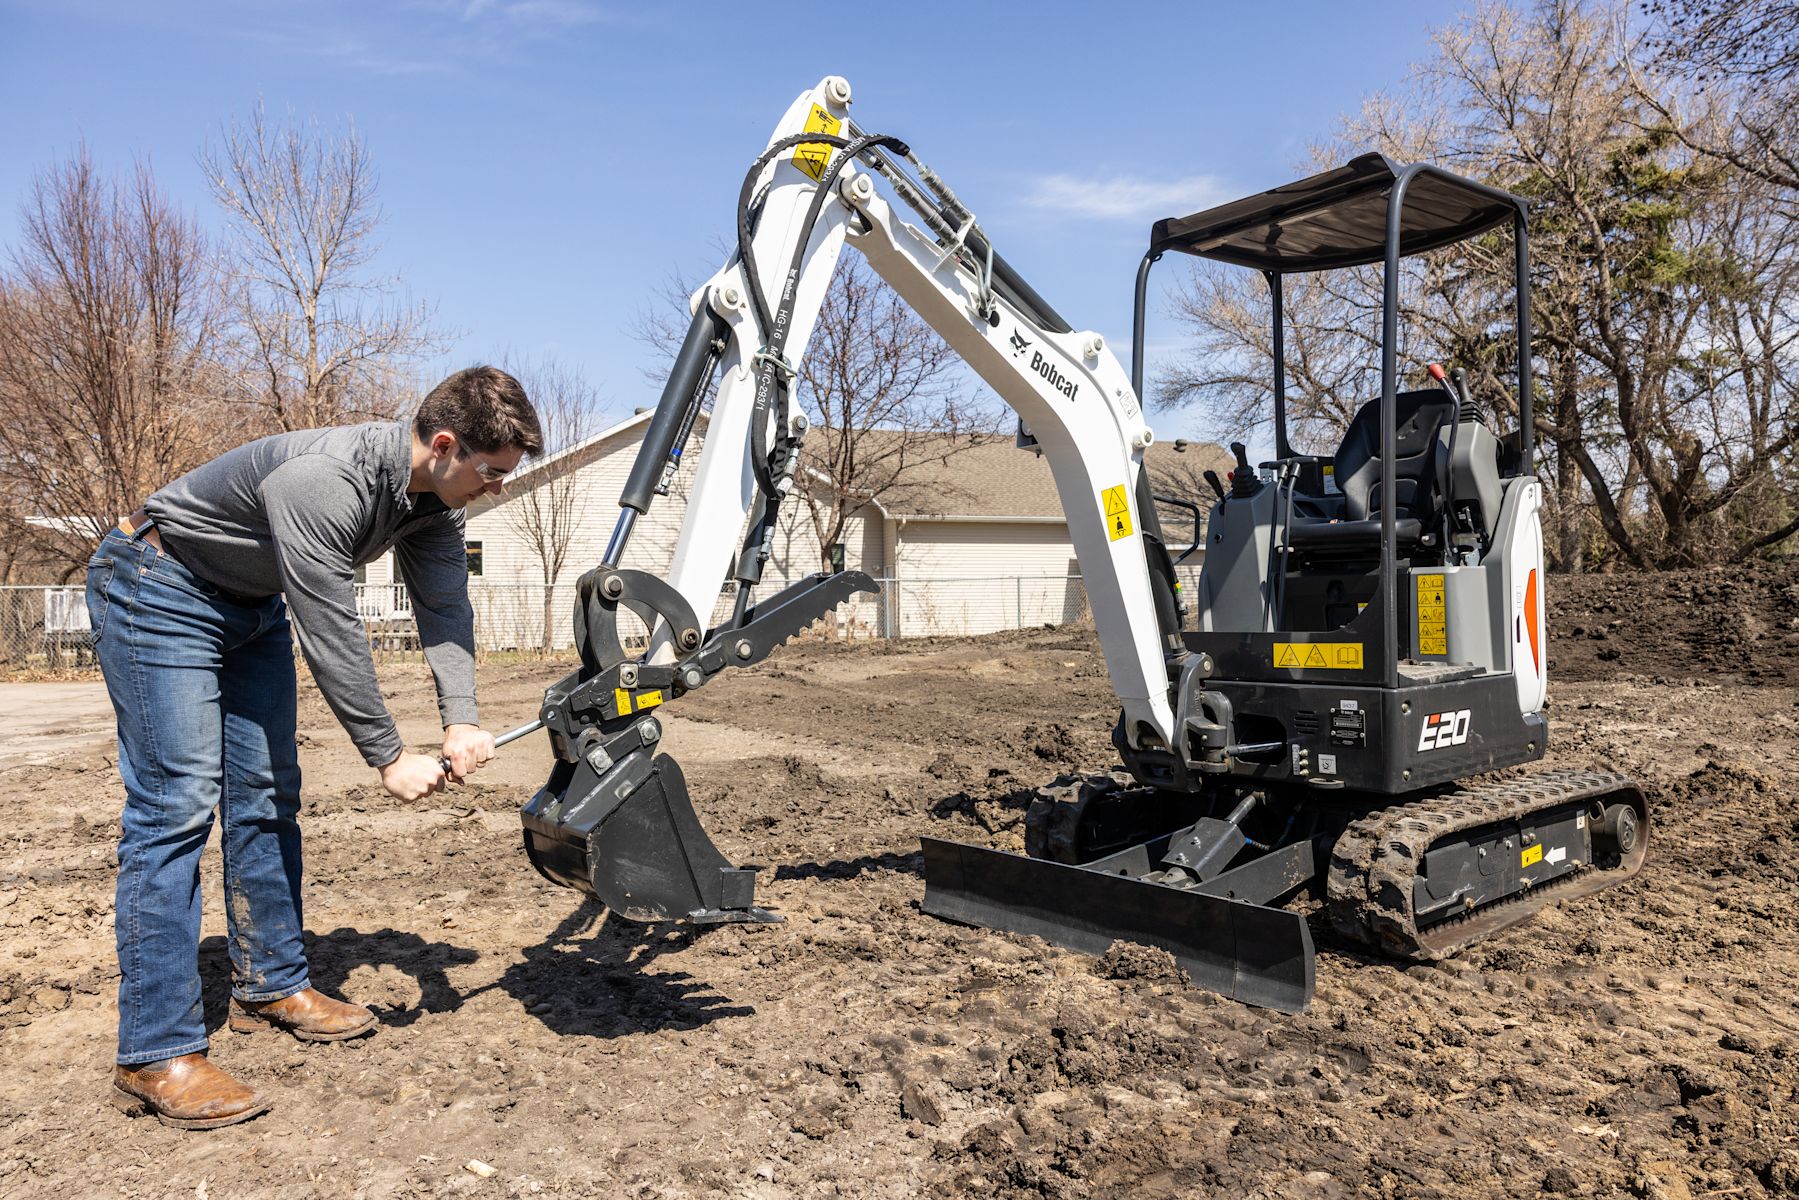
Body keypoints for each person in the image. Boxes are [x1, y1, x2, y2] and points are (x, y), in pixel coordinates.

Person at [86, 366, 543, 1130]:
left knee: (268, 794)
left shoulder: (432, 506)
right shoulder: (327, 481)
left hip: (250, 607)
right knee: (177, 806)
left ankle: (270, 982)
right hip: (159, 587)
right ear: (443, 446)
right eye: (491, 471)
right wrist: (387, 755)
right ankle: (155, 1052)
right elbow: (331, 626)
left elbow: (443, 605)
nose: (498, 486)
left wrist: (461, 718)